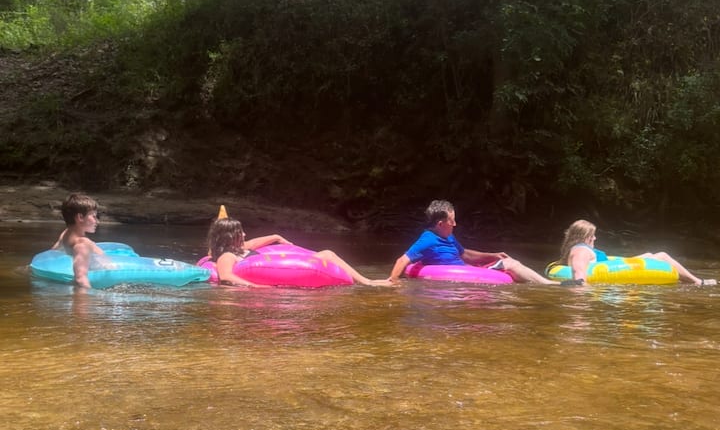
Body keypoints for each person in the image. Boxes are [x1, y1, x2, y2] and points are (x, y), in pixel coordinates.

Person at [386, 199, 557, 285]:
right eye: (452, 221)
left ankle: (541, 283)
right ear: (440, 224)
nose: (455, 224)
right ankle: (548, 285)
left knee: (505, 263)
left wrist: (492, 255)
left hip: (465, 270)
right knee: (510, 264)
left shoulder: (448, 237)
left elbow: (466, 254)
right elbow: (402, 260)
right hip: (455, 273)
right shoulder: (428, 239)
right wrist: (393, 282)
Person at [207, 215, 393, 287]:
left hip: (276, 277)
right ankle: (368, 282)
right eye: (241, 233)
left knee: (327, 253)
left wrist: (278, 237)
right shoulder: (228, 255)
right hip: (263, 283)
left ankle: (367, 281)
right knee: (327, 255)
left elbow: (257, 242)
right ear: (230, 237)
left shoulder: (240, 248)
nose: (246, 234)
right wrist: (259, 288)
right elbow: (226, 276)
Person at [559, 219, 717, 287]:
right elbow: (579, 276)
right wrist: (579, 305)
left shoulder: (577, 248)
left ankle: (691, 280)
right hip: (612, 270)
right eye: (591, 235)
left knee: (650, 255)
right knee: (662, 255)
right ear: (583, 237)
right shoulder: (581, 250)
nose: (595, 237)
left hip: (612, 265)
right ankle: (697, 282)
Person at [51, 192, 110, 289]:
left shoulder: (65, 234)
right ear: (80, 217)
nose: (97, 221)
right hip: (108, 275)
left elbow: (53, 254)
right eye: (94, 216)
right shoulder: (83, 244)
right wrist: (87, 301)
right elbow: (80, 278)